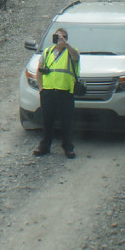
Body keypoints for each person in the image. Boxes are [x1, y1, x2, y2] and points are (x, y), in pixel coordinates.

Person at [33, 28, 80, 159]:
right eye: (58, 36)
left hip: (65, 91)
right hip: (48, 92)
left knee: (67, 121)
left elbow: (76, 57)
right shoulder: (47, 52)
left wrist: (66, 44)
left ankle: (68, 147)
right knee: (47, 120)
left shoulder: (70, 51)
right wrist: (41, 88)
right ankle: (45, 146)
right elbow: (39, 70)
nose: (60, 38)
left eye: (63, 36)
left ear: (66, 38)